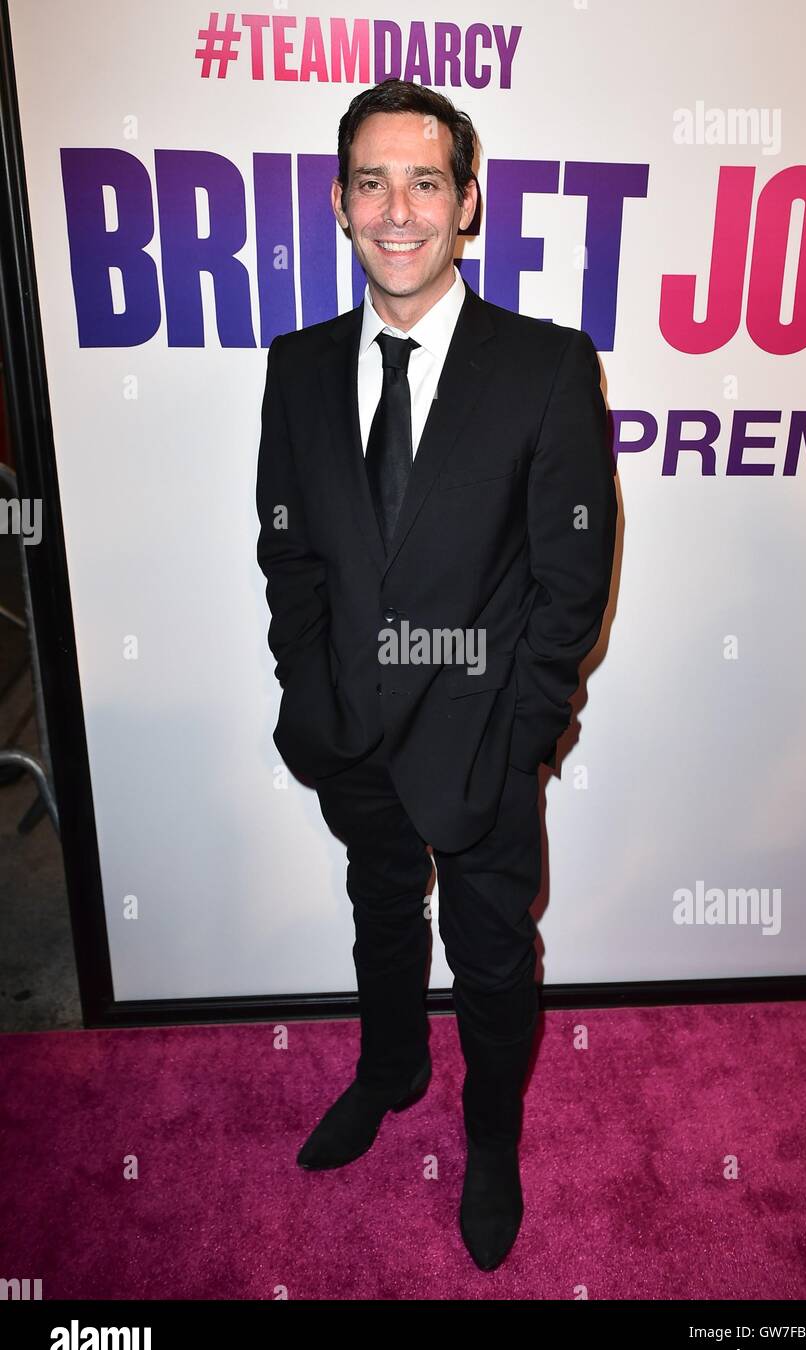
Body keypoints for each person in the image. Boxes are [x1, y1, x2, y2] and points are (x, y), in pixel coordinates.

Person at [255, 78, 618, 1271]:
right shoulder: (297, 366)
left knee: (495, 957)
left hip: (481, 747)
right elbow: (290, 547)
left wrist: (525, 737)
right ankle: (392, 1064)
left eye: (425, 181)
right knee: (377, 910)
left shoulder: (547, 366)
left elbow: (572, 575)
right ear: (340, 203)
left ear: (467, 203)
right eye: (371, 181)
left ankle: (493, 1139)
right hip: (347, 731)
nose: (396, 208)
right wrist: (306, 690)